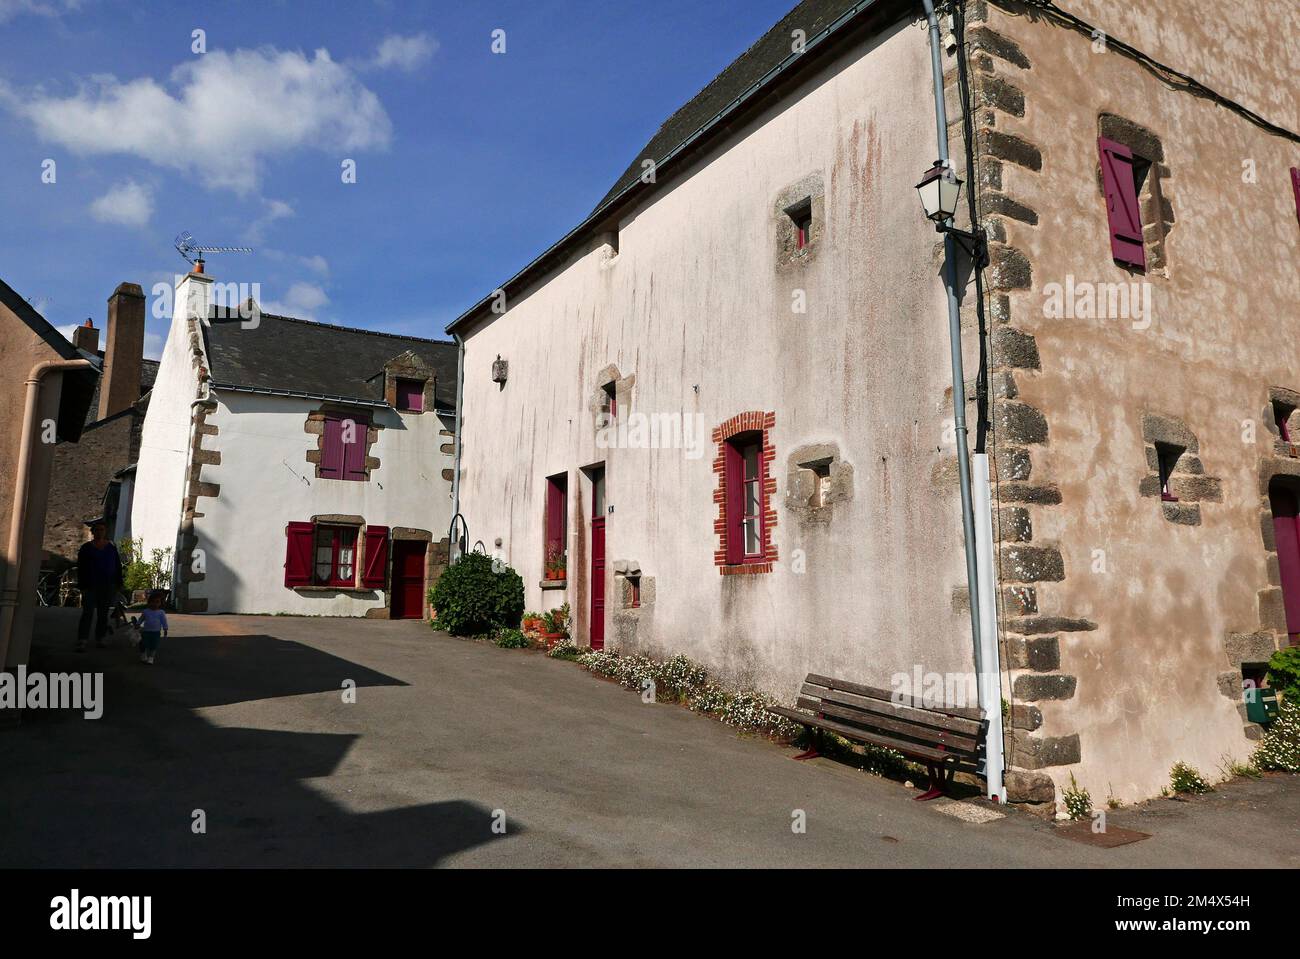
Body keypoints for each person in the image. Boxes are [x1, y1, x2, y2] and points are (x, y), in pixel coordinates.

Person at [76, 521, 123, 652]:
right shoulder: (86, 548)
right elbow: (81, 568)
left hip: (107, 585)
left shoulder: (111, 548)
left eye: (102, 530)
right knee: (87, 613)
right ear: (93, 532)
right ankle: (82, 639)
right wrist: (82, 586)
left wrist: (119, 583)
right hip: (90, 585)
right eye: (97, 530)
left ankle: (100, 638)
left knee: (103, 614)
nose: (100, 532)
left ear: (105, 532)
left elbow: (117, 566)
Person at [137, 591, 168, 665]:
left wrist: (165, 628)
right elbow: (141, 618)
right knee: (143, 644)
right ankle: (143, 655)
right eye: (152, 602)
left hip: (156, 632)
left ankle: (151, 658)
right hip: (146, 631)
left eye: (157, 602)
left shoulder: (161, 612)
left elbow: (164, 621)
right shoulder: (146, 611)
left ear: (160, 603)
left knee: (154, 645)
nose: (154, 604)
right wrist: (138, 624)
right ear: (149, 602)